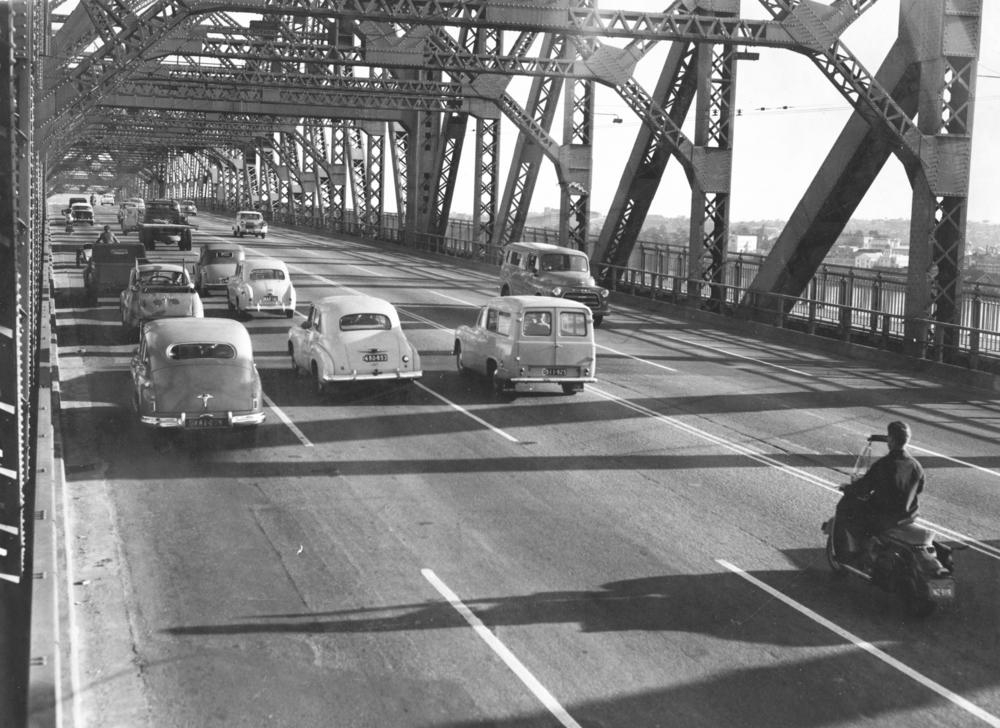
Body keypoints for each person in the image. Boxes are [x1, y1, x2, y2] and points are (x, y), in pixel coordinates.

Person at [834, 421, 925, 563]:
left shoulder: (884, 464)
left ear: (891, 440)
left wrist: (848, 489)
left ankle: (853, 555)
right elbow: (919, 489)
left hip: (884, 517)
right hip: (907, 514)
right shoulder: (916, 466)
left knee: (846, 510)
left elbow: (864, 487)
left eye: (889, 436)